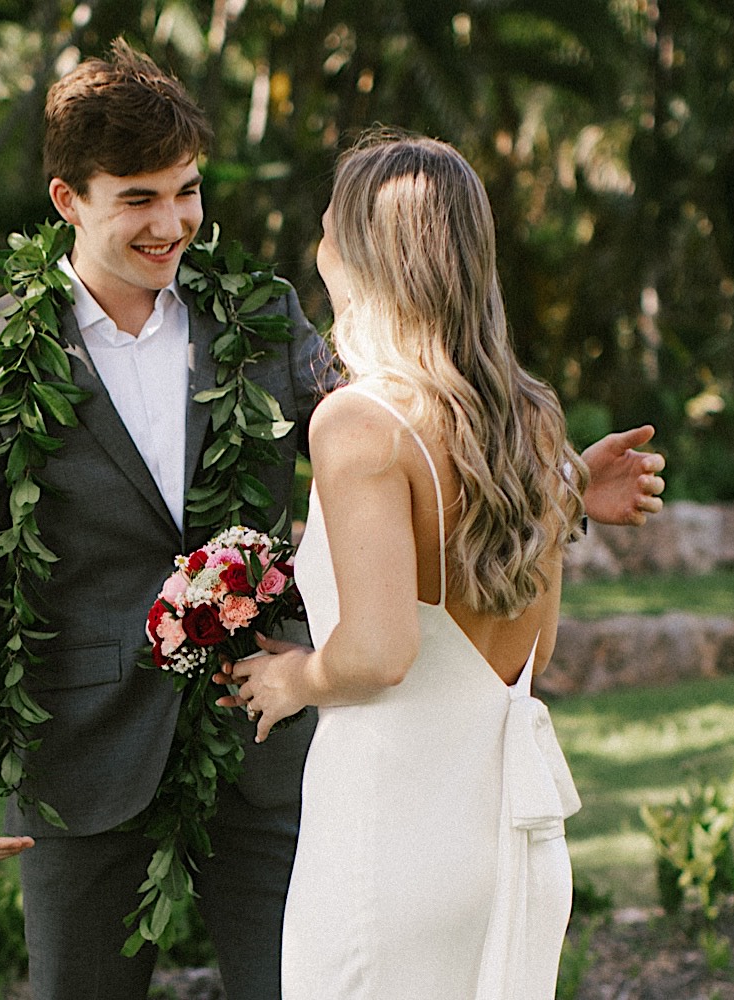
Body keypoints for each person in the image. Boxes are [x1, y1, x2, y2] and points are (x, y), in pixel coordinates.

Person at [0, 45, 664, 1000]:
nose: (172, 221)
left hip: (271, 747)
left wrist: (551, 479)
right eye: (138, 198)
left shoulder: (262, 320)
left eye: (185, 191)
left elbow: (406, 434)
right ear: (68, 200)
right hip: (85, 752)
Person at [222, 132, 591, 998]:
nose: (319, 254)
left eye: (326, 233)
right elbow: (533, 657)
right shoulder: (535, 420)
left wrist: (294, 680)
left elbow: (383, 651)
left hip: (388, 844)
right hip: (503, 839)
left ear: (362, 258)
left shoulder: (360, 423)